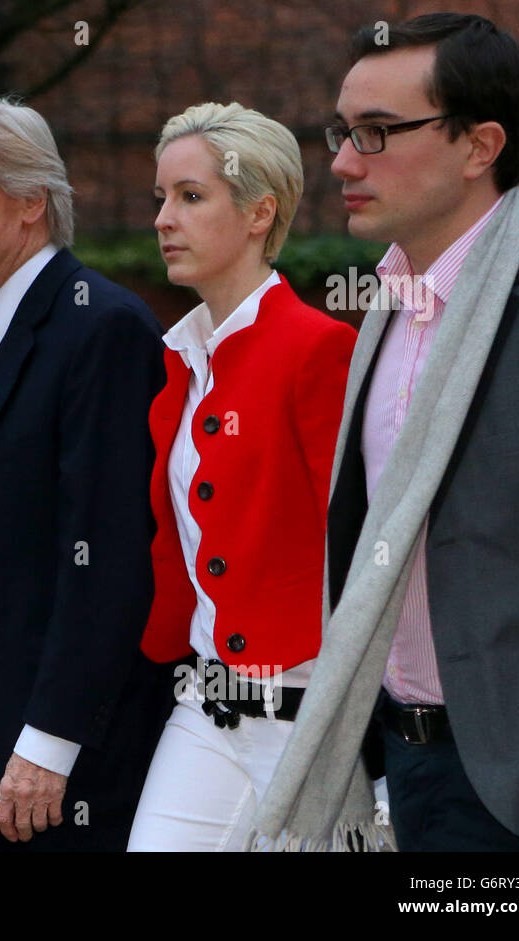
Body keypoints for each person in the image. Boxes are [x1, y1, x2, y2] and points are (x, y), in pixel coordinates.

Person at [255, 13, 519, 852]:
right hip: (403, 763)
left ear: (479, 146)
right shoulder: (384, 311)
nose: (340, 161)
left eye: (375, 132)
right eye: (340, 130)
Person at [0, 99, 172, 851]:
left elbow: (110, 556)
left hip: (53, 757)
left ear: (29, 202)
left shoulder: (101, 327)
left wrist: (51, 740)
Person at [126, 104, 356, 851]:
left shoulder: (320, 348)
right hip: (205, 703)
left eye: (190, 197)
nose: (164, 217)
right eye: (161, 197)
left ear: (260, 212)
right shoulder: (181, 359)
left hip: (311, 716)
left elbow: (361, 542)